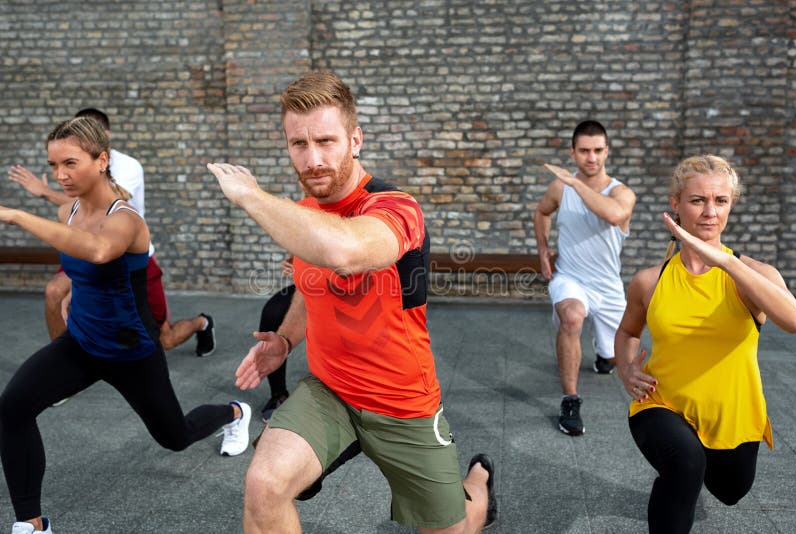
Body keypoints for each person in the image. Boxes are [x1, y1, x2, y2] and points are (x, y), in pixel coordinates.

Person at [207, 70, 497, 533]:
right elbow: (310, 284)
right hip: (331, 390)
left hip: (402, 401)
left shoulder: (396, 208)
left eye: (326, 141)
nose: (313, 159)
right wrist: (284, 340)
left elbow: (343, 251)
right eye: (298, 144)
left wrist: (251, 196)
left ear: (355, 139)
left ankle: (478, 485)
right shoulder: (305, 213)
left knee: (457, 528)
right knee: (263, 486)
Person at [0, 117, 252, 534]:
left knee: (175, 436)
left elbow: (99, 251)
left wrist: (17, 217)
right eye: (53, 165)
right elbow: (82, 273)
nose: (60, 175)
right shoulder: (69, 209)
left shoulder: (126, 218)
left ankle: (234, 412)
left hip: (132, 353)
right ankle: (31, 522)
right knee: (12, 409)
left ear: (101, 160)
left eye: (70, 163)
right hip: (82, 344)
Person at [615, 155, 796, 533]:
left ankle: (689, 472)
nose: (709, 212)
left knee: (730, 490)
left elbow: (794, 321)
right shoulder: (650, 281)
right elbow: (627, 333)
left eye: (721, 201)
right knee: (684, 466)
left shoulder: (754, 275)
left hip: (732, 413)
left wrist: (727, 263)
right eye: (698, 200)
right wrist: (626, 367)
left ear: (731, 205)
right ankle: (679, 477)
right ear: (676, 204)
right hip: (661, 403)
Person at [8, 108, 215, 357]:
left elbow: (104, 212)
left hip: (126, 257)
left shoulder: (127, 168)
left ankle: (201, 323)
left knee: (164, 339)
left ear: (105, 138)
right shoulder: (73, 172)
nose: (61, 174)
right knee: (55, 290)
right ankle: (65, 361)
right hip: (93, 252)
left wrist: (35, 200)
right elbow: (77, 211)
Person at [533, 120, 636, 436]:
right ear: (573, 152)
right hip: (571, 279)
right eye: (584, 151)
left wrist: (576, 185)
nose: (591, 158)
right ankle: (570, 400)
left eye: (597, 150)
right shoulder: (560, 188)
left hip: (608, 288)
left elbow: (614, 215)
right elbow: (541, 213)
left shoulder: (622, 193)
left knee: (614, 357)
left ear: (607, 151)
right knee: (572, 318)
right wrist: (543, 250)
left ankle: (603, 355)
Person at [257, 255, 296, 423]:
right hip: (316, 285)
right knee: (272, 314)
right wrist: (295, 258)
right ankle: (278, 393)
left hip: (359, 285)